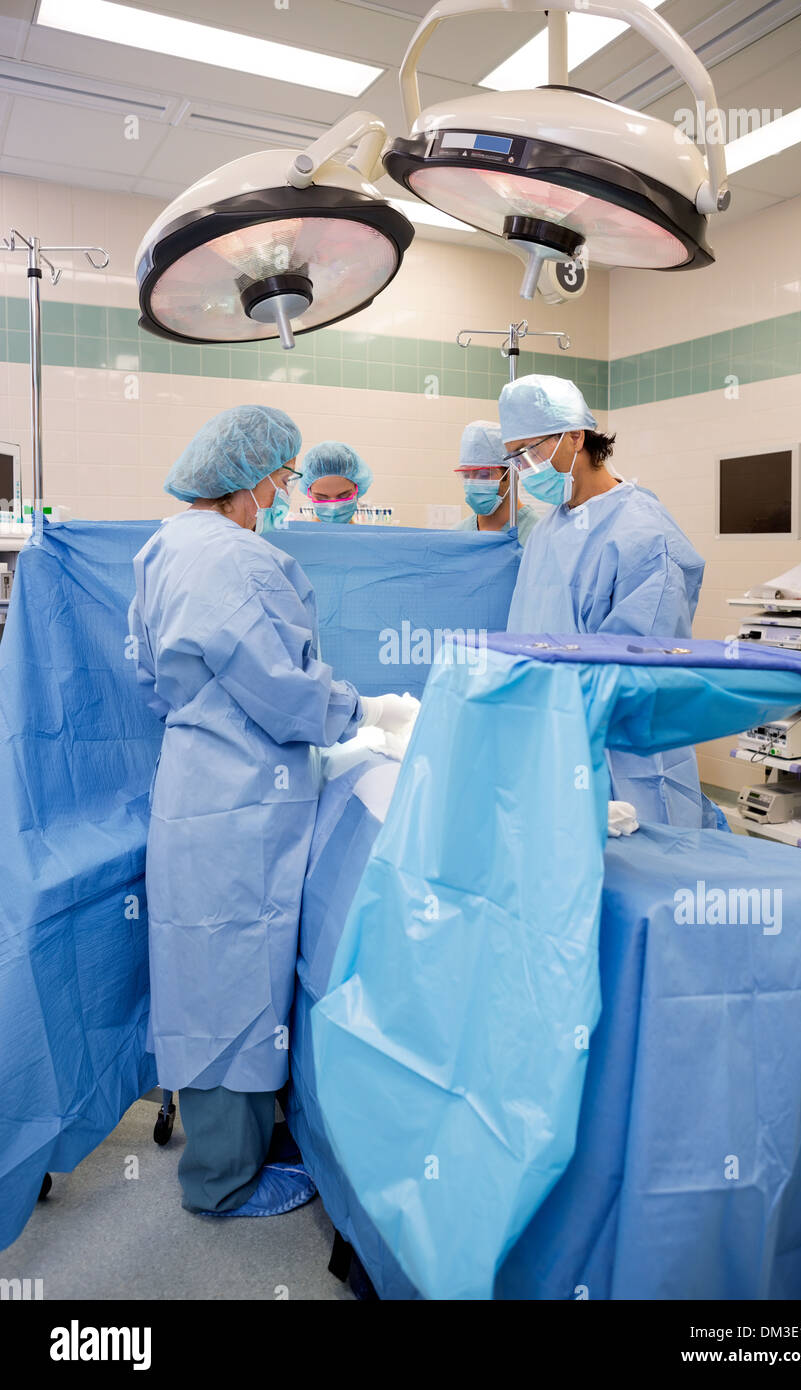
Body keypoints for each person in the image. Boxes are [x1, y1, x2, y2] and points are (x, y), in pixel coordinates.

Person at [127, 405, 417, 1217]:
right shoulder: (240, 561)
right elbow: (285, 692)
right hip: (243, 797)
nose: (286, 495)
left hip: (194, 780)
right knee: (232, 982)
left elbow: (153, 677)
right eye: (285, 481)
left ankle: (238, 1146)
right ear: (251, 480)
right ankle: (222, 1181)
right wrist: (368, 714)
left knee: (205, 975)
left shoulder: (165, 546)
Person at [500, 374, 718, 830]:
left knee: (645, 874)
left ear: (575, 436)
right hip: (552, 741)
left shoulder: (644, 534)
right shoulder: (546, 531)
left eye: (532, 451)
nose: (525, 467)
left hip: (625, 760)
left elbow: (643, 668)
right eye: (515, 458)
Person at [452, 420, 538, 545]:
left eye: (484, 475)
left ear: (512, 474)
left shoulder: (537, 533)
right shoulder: (458, 534)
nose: (472, 483)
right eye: (466, 475)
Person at [298, 441, 373, 523]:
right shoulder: (302, 535)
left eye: (344, 496)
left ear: (357, 490)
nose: (333, 507)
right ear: (310, 493)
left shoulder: (364, 535)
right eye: (321, 498)